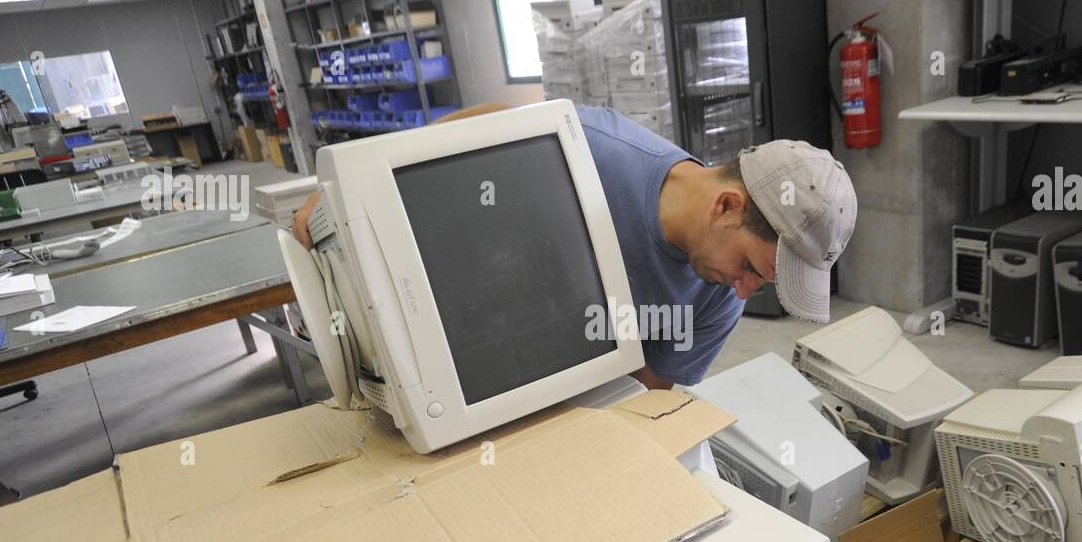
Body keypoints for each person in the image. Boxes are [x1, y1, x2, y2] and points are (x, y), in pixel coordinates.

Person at [293, 102, 857, 389]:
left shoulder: (717, 301)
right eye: (750, 269)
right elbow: (457, 142)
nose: (744, 290)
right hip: (451, 343)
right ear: (727, 206)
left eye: (763, 285)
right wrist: (344, 191)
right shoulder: (582, 148)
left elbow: (646, 403)